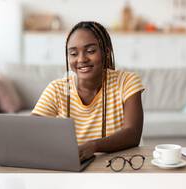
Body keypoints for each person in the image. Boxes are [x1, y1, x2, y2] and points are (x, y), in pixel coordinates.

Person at [31, 21, 144, 159]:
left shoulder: (127, 82)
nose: (81, 59)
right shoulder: (56, 89)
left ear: (106, 53)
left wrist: (94, 146)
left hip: (114, 168)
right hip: (72, 168)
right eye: (73, 53)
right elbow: (31, 131)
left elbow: (133, 134)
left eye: (90, 51)